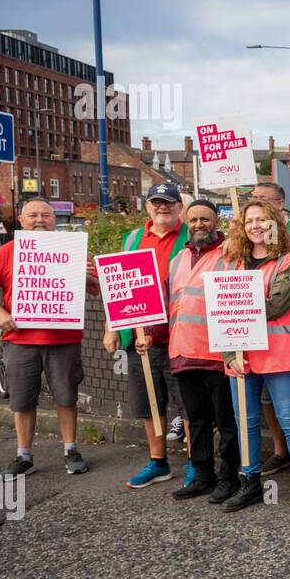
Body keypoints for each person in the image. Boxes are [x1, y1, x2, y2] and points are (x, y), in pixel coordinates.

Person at [0, 197, 91, 478]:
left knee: (67, 398)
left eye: (46, 215)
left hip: (63, 339)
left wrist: (91, 276)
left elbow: (95, 290)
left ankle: (71, 449)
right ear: (21, 219)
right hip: (20, 340)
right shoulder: (7, 252)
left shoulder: (73, 250)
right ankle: (24, 455)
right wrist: (0, 313)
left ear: (55, 220)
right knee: (22, 401)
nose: (39, 220)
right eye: (33, 216)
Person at [219, 199, 290, 516]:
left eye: (262, 219)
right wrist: (229, 352)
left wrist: (240, 302)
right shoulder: (232, 265)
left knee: (289, 419)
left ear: (274, 223)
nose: (255, 226)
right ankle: (249, 482)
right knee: (244, 422)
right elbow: (221, 312)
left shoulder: (289, 261)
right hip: (239, 354)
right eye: (249, 221)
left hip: (278, 353)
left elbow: (276, 305)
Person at [102, 182, 190, 490]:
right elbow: (119, 287)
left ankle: (196, 462)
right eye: (157, 202)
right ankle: (158, 462)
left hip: (184, 335)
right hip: (141, 339)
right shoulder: (132, 239)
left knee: (189, 404)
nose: (162, 207)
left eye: (168, 202)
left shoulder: (191, 236)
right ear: (147, 206)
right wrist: (112, 326)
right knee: (150, 404)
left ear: (179, 207)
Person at [166, 199, 241, 502]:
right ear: (186, 221)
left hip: (217, 354)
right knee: (195, 422)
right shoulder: (178, 260)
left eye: (205, 219)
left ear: (216, 222)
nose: (199, 224)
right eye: (194, 219)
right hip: (183, 352)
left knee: (226, 422)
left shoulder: (229, 254)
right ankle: (202, 476)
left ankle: (229, 477)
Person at [248, 181, 290, 478]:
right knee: (263, 402)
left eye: (262, 201)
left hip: (287, 332)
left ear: (278, 205)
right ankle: (280, 451)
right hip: (248, 338)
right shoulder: (241, 243)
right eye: (252, 201)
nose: (255, 206)